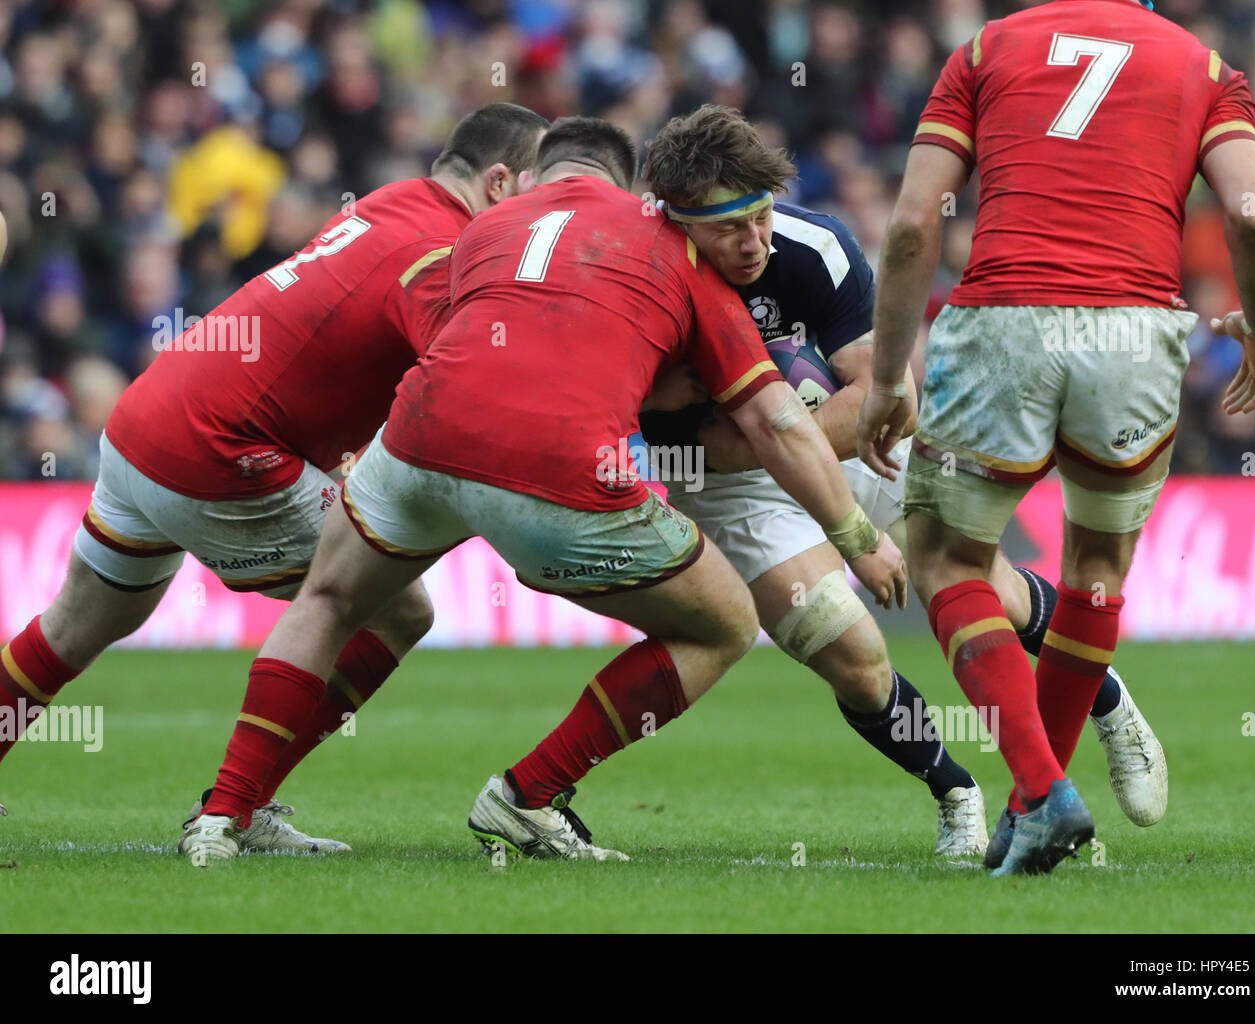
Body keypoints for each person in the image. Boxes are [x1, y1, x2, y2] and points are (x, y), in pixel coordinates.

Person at [180, 116, 909, 864]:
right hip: (555, 463)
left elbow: (451, 338)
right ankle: (528, 795)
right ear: (636, 192)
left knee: (330, 603)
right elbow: (777, 421)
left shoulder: (481, 229)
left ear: (535, 178)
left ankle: (222, 815)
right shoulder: (673, 247)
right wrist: (857, 537)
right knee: (721, 624)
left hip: (417, 444)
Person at [0, 103, 550, 854]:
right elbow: (457, 387)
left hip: (145, 422)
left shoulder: (391, 204)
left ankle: (237, 805)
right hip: (221, 451)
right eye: (542, 196)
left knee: (70, 629)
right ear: (496, 184)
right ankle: (236, 808)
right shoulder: (446, 252)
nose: (550, 221)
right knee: (397, 610)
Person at [640, 103, 1166, 857]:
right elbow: (673, 439)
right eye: (729, 228)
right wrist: (751, 444)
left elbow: (890, 398)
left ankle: (1109, 704)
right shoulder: (644, 279)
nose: (753, 242)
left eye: (760, 217)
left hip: (861, 443)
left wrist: (765, 436)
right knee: (846, 650)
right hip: (727, 485)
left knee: (988, 589)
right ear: (677, 221)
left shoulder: (814, 245)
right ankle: (957, 792)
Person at [857, 0, 1255, 876]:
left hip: (1006, 316)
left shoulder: (986, 47)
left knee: (946, 562)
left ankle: (1040, 794)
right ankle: (1035, 804)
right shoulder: (1202, 68)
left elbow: (909, 226)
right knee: (1096, 570)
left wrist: (888, 371)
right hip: (1136, 328)